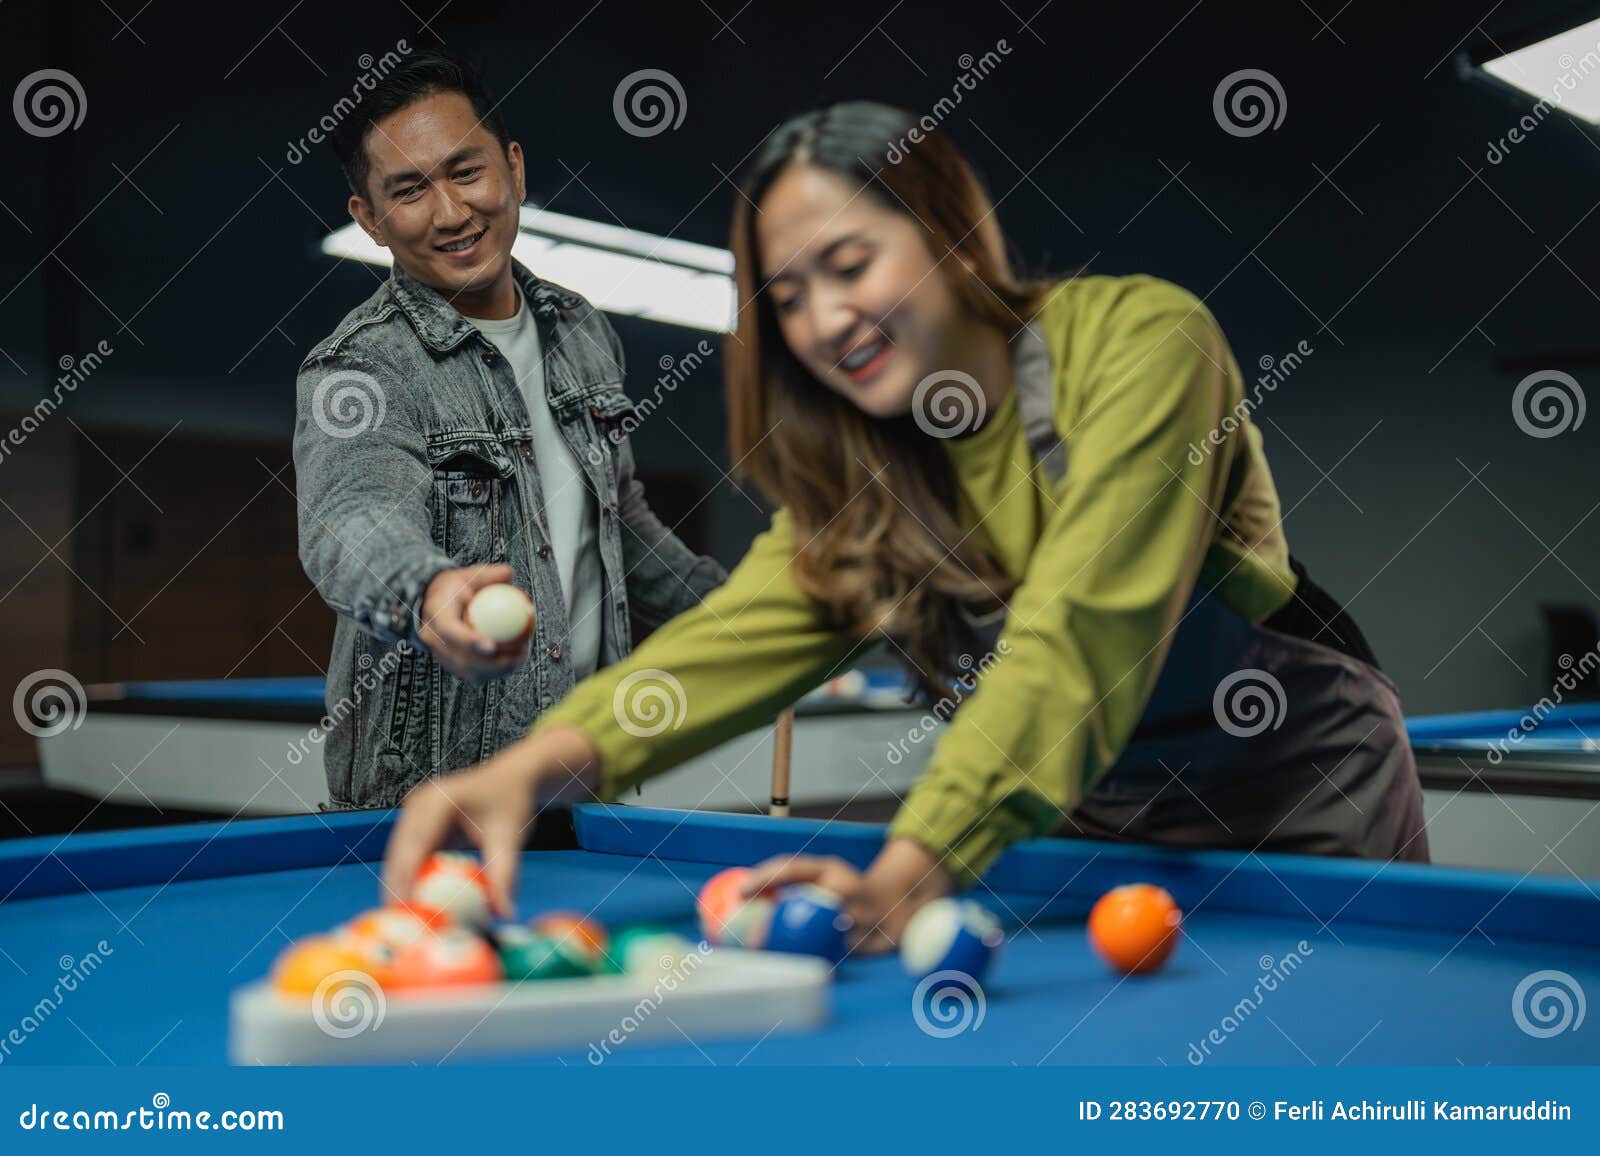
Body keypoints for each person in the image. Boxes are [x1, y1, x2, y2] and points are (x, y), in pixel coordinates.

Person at [381, 101, 1429, 949]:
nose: (827, 321)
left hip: (1303, 793)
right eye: (789, 296)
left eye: (850, 265)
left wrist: (907, 868)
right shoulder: (865, 475)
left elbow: (1085, 631)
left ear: (950, 238)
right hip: (1079, 821)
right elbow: (722, 649)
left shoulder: (1141, 340)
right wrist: (531, 767)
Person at [294, 51, 724, 810]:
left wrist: (748, 620)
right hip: (429, 808)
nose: (452, 211)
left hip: (586, 787)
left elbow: (618, 525)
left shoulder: (582, 331)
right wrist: (430, 593)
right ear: (369, 218)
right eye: (409, 190)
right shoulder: (361, 367)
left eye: (467, 171)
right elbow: (351, 519)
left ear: (514, 168)